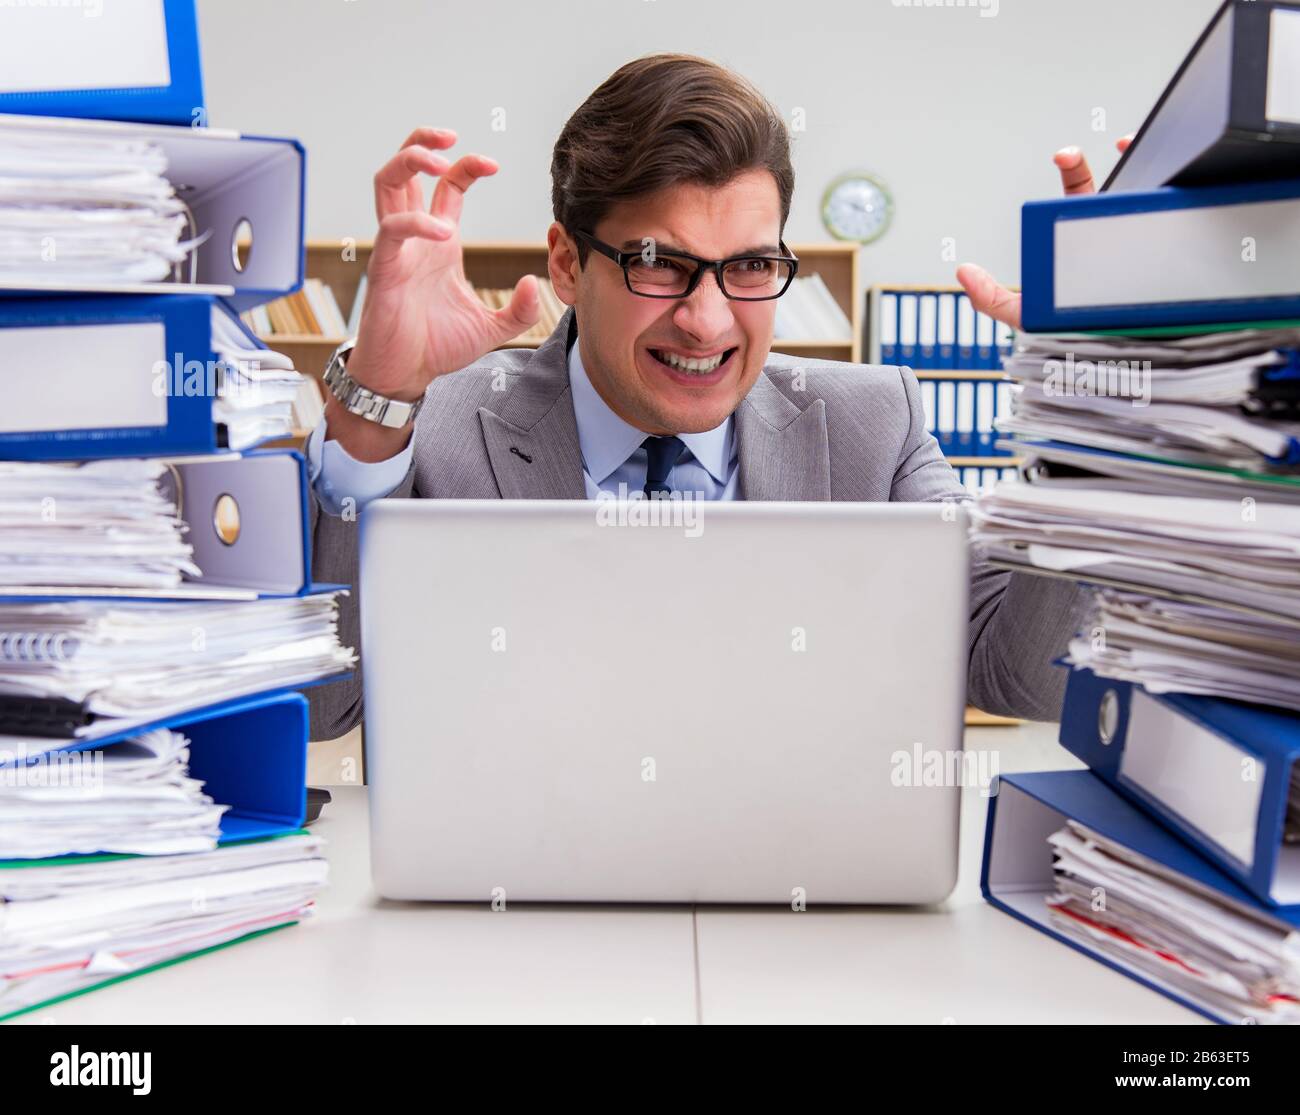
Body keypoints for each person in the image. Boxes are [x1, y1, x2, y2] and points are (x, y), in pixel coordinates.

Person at [304, 52, 1129, 740]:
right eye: (658, 263)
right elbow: (323, 706)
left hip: (804, 905)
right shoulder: (438, 425)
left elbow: (1031, 680)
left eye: (750, 267)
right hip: (505, 908)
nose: (706, 321)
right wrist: (376, 401)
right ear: (565, 264)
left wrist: (1088, 413)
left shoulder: (876, 427)